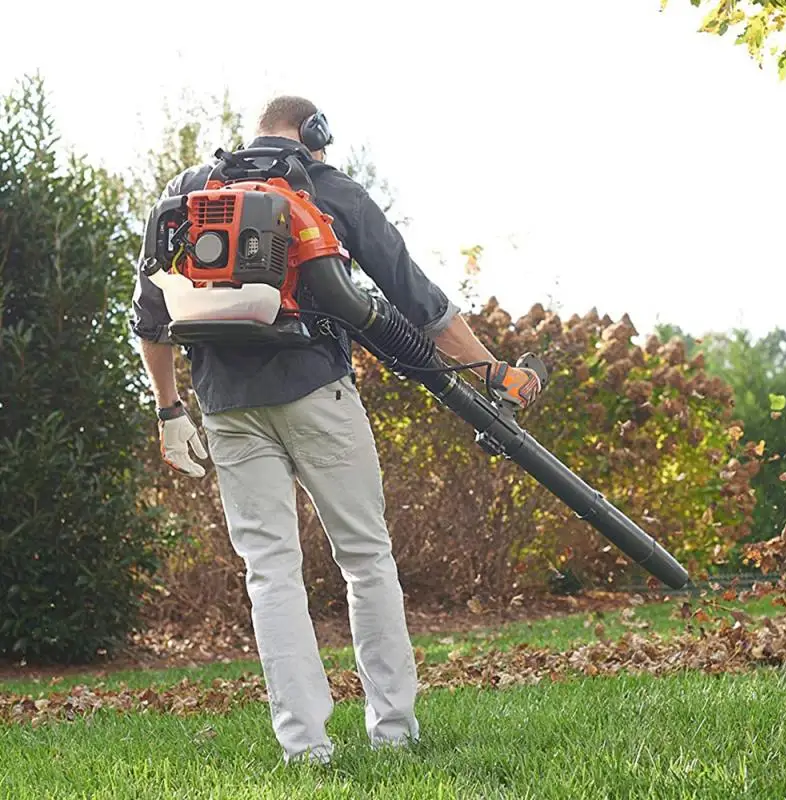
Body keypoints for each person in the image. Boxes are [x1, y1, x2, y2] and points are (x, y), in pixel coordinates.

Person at [131, 95, 541, 765]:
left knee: (270, 574)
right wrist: (492, 371)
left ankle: (305, 750)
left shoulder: (188, 190)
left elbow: (150, 315)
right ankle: (395, 734)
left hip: (225, 404)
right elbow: (418, 301)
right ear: (313, 134)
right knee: (365, 560)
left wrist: (169, 410)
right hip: (315, 389)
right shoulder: (325, 186)